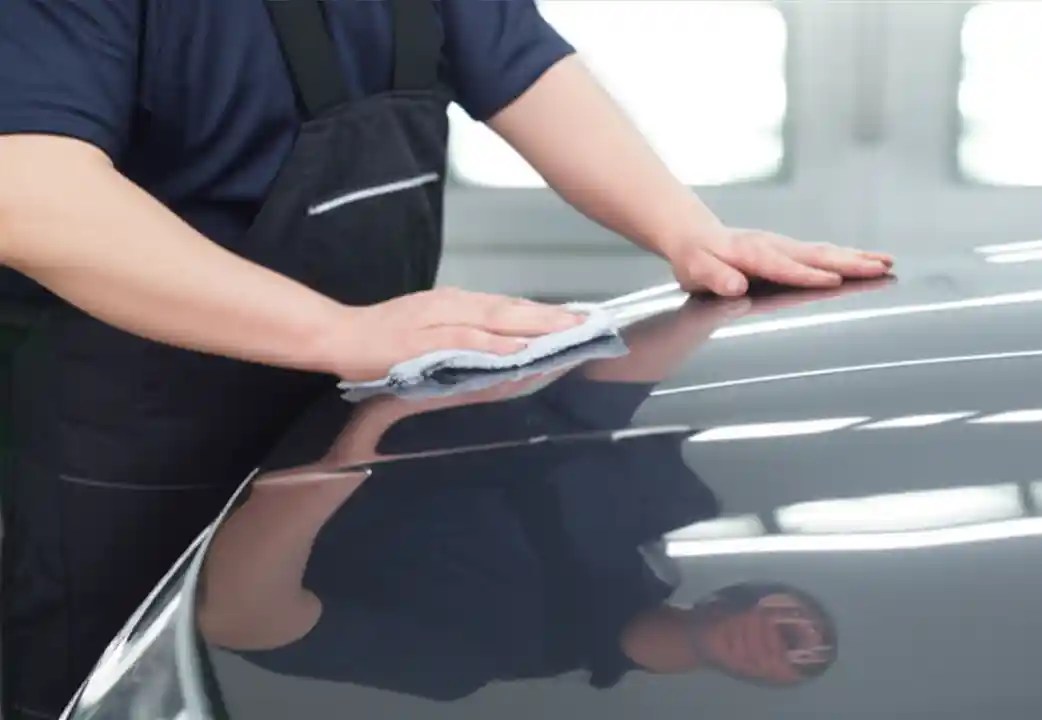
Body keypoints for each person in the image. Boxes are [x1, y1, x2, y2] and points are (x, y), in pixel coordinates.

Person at [0, 1, 889, 716]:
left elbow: (524, 65)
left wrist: (690, 233)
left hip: (350, 412)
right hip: (136, 457)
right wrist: (335, 332)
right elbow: (26, 191)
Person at [196, 297, 838, 701]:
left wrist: (354, 452)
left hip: (184, 504)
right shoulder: (636, 517)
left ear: (757, 684)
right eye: (801, 623)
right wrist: (718, 304)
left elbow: (245, 621)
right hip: (303, 350)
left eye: (801, 658)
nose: (794, 642)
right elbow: (591, 402)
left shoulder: (479, 661)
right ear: (749, 592)